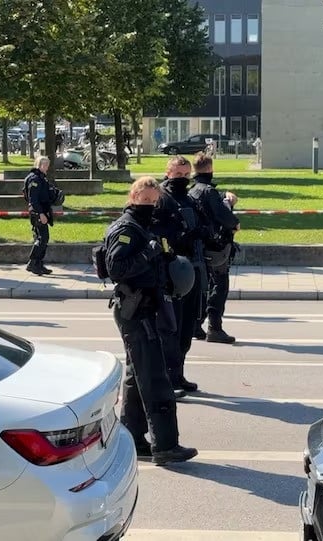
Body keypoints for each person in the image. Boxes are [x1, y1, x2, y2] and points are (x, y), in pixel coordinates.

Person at [104, 176, 197, 465]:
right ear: (133, 197)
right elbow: (116, 267)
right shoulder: (127, 229)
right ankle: (165, 445)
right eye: (145, 200)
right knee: (156, 378)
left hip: (145, 309)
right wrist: (148, 253)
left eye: (153, 201)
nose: (150, 205)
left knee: (137, 376)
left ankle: (133, 438)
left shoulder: (143, 227)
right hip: (136, 311)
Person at [152, 155, 207, 394]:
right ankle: (168, 380)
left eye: (186, 175)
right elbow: (155, 231)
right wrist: (178, 236)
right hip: (171, 273)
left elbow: (200, 223)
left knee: (187, 327)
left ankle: (179, 374)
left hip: (192, 268)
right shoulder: (161, 197)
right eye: (178, 174)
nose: (182, 179)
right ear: (168, 172)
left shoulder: (191, 197)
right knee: (170, 330)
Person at [189, 153, 241, 344]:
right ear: (210, 169)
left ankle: (196, 324)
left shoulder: (191, 191)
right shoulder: (209, 192)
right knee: (219, 286)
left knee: (204, 286)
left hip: (199, 246)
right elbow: (225, 218)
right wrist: (233, 217)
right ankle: (215, 328)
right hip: (215, 247)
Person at [24, 156, 54, 275]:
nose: (47, 167)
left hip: (42, 210)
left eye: (47, 164)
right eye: (45, 165)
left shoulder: (41, 178)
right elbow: (33, 199)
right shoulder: (35, 179)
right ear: (39, 165)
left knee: (42, 238)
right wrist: (41, 214)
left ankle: (39, 263)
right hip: (37, 212)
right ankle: (32, 263)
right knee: (42, 238)